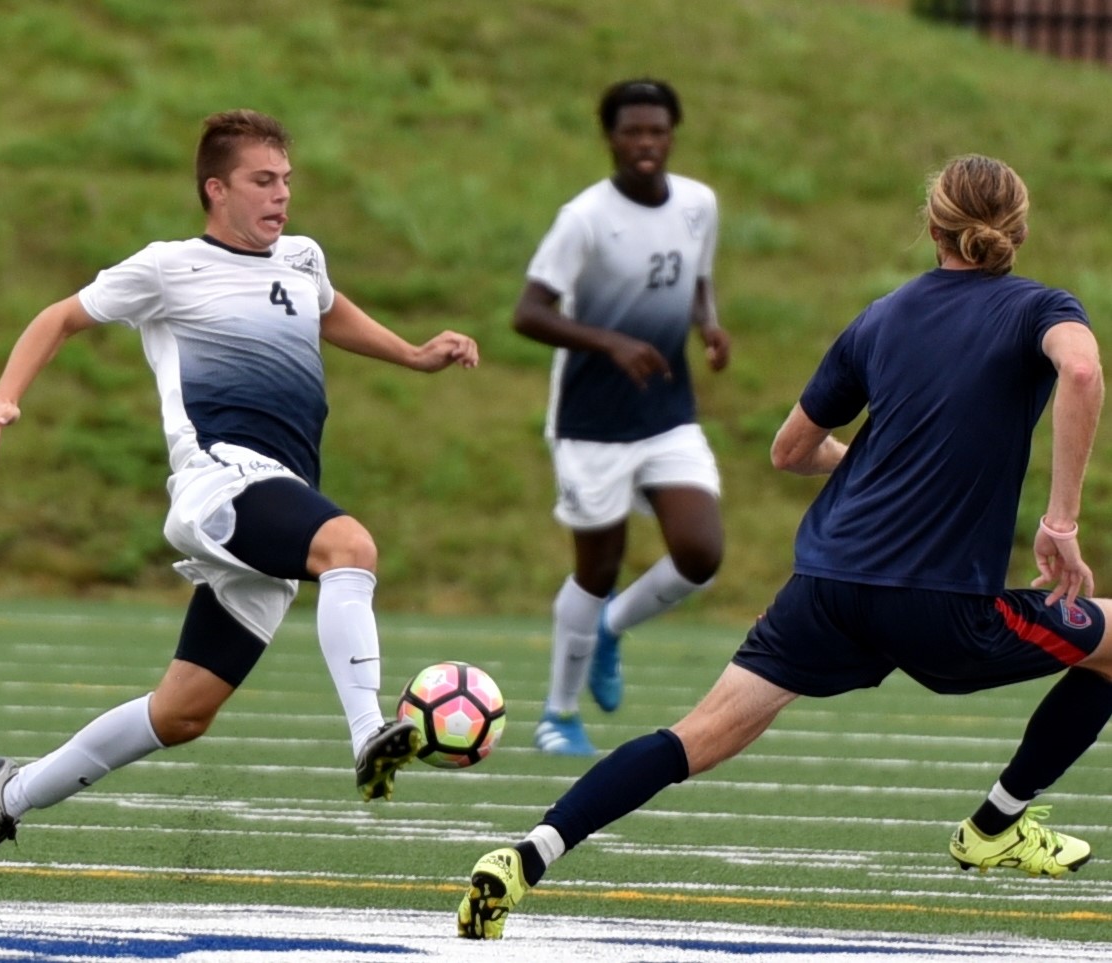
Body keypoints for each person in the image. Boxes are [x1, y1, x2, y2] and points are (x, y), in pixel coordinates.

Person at [457, 153, 1109, 940]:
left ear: (932, 227)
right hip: (939, 605)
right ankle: (996, 825)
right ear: (1020, 230)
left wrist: (870, 464)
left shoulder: (880, 316)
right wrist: (1060, 522)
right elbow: (1080, 373)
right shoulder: (1040, 306)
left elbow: (792, 449)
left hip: (826, 588)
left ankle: (527, 855)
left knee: (692, 736)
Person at [0, 108, 480, 876]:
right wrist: (4, 397)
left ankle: (11, 792)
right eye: (264, 181)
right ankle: (369, 734)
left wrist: (414, 353)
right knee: (349, 547)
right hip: (219, 479)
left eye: (287, 181)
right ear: (216, 189)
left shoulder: (301, 257)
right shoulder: (166, 267)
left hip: (280, 494)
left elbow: (328, 310)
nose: (282, 196)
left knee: (182, 712)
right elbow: (58, 318)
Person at [514, 79, 730, 757]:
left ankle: (611, 628)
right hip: (591, 422)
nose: (645, 143)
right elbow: (529, 312)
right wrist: (611, 341)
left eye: (657, 131)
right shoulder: (584, 218)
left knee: (701, 553)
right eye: (632, 131)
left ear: (673, 134)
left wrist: (710, 324)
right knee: (597, 566)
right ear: (610, 137)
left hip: (667, 412)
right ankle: (558, 713)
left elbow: (694, 277)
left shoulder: (699, 204)